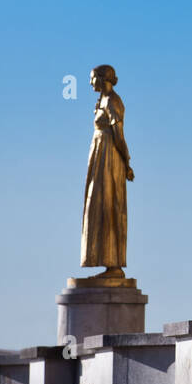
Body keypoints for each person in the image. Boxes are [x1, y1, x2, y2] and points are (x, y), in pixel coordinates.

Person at [81, 64, 132, 277]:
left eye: (93, 78)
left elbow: (119, 134)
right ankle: (104, 260)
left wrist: (126, 161)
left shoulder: (113, 101)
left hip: (110, 157)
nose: (91, 82)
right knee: (97, 204)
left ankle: (114, 264)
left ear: (103, 79)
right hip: (100, 155)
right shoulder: (101, 101)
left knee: (109, 204)